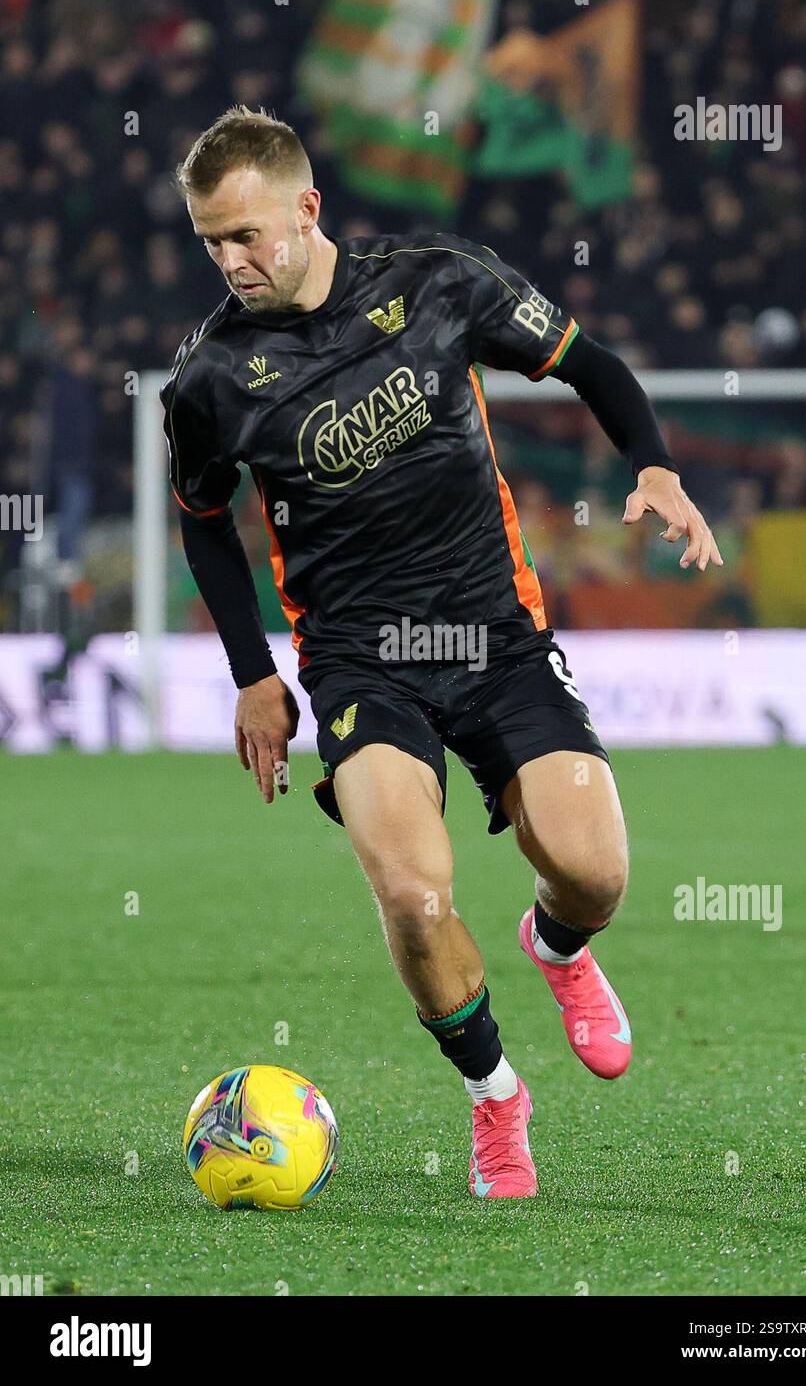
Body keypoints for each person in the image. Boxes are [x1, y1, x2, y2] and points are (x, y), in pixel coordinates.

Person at [161, 107, 723, 1199]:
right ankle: (494, 1097)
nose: (230, 262)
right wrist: (251, 672)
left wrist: (651, 465)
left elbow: (586, 361)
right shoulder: (210, 381)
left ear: (306, 209)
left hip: (495, 634)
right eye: (209, 242)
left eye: (246, 235)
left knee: (594, 872)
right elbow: (200, 515)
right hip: (359, 664)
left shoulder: (437, 284)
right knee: (412, 893)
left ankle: (556, 948)